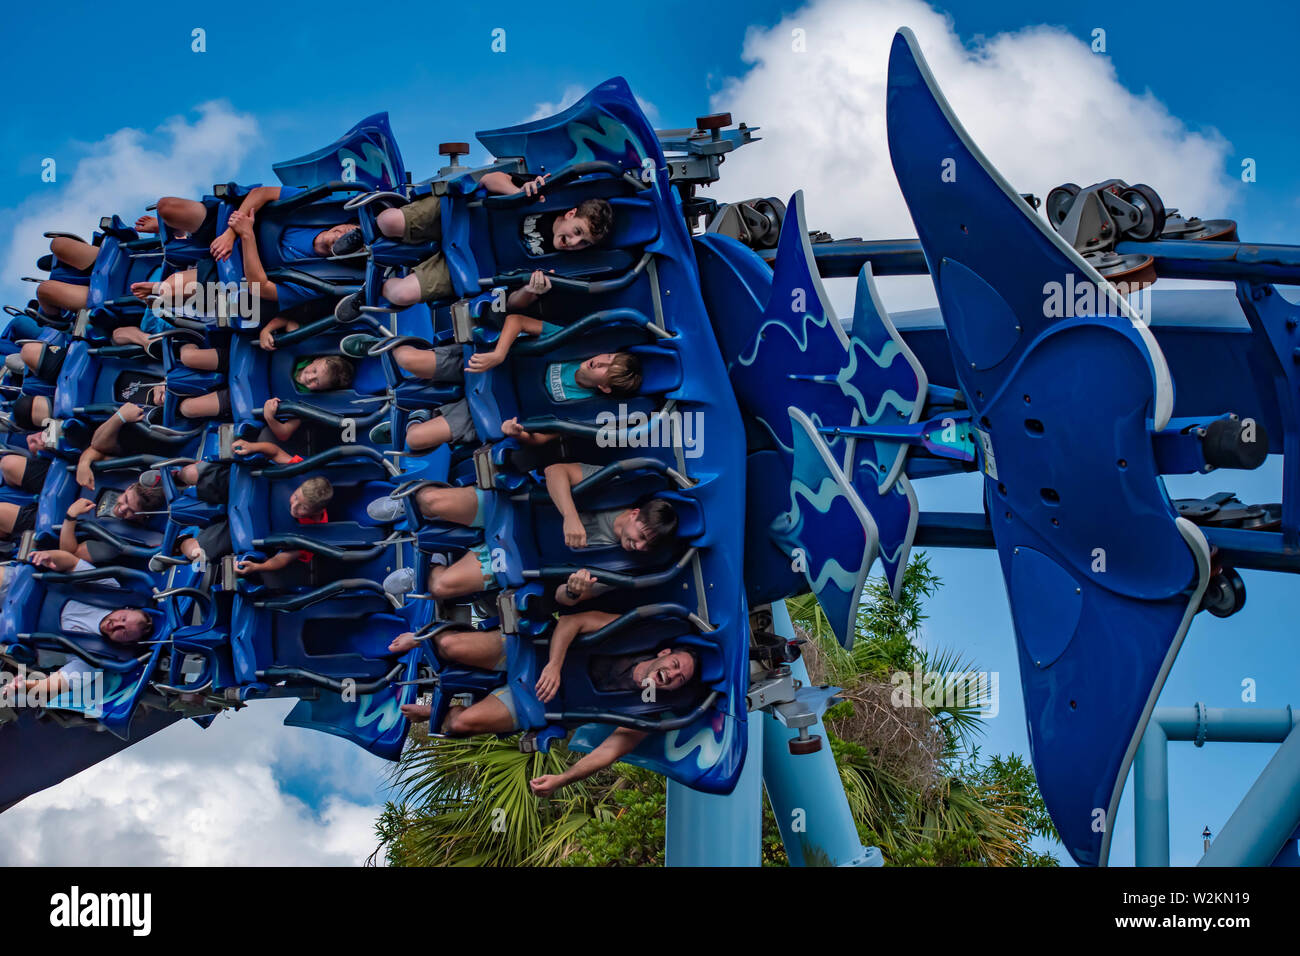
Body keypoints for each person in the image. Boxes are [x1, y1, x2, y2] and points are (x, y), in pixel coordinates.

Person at [332, 177, 615, 317]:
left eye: (584, 243)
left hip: (470, 267)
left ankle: (367, 292)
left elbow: (510, 304)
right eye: (577, 231)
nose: (574, 242)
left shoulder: (557, 272)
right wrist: (515, 191)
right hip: (459, 218)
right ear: (569, 213)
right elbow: (488, 179)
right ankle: (363, 233)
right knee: (390, 220)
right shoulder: (542, 194)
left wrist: (529, 291)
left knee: (401, 293)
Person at [372, 481, 677, 603]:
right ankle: (407, 507)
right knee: (430, 500)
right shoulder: (617, 491)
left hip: (522, 558)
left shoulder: (622, 568)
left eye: (645, 547)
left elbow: (561, 598)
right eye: (640, 537)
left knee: (440, 587)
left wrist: (573, 591)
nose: (638, 547)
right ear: (635, 514)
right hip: (514, 511)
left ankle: (430, 566)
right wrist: (570, 516)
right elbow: (556, 472)